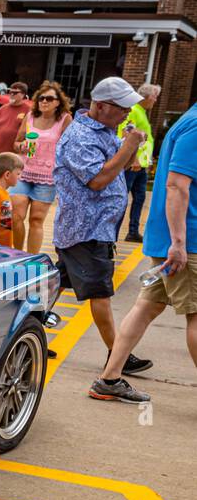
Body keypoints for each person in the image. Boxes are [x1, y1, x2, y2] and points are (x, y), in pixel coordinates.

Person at [91, 101, 196, 403]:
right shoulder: (196, 127)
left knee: (147, 306)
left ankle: (109, 378)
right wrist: (178, 243)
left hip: (172, 238)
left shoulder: (188, 119)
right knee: (195, 314)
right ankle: (109, 378)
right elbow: (176, 185)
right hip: (185, 240)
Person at [53, 76, 150, 377]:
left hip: (95, 227)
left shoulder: (106, 131)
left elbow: (122, 166)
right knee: (100, 292)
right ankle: (118, 354)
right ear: (100, 105)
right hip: (85, 228)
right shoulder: (80, 136)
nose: (127, 113)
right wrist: (128, 145)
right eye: (122, 107)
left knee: (57, 281)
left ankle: (26, 326)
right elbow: (97, 180)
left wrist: (130, 147)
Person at [10, 81, 73, 252]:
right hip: (23, 173)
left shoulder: (65, 119)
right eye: (41, 98)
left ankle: (31, 258)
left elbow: (70, 147)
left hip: (47, 177)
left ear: (58, 102)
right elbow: (16, 142)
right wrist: (21, 146)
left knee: (36, 220)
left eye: (49, 98)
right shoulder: (30, 116)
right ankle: (17, 254)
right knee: (16, 216)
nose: (44, 101)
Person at [118, 83, 160, 242]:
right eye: (154, 96)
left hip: (141, 165)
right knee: (122, 198)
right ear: (146, 97)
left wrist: (147, 160)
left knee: (140, 198)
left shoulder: (142, 112)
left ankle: (133, 231)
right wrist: (133, 158)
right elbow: (126, 134)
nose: (155, 100)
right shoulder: (134, 110)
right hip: (132, 165)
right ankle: (113, 231)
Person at [0, 81, 30, 163]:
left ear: (23, 94)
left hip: (16, 157)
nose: (12, 94)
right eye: (10, 92)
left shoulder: (28, 111)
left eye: (15, 93)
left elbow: (31, 133)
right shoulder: (2, 109)